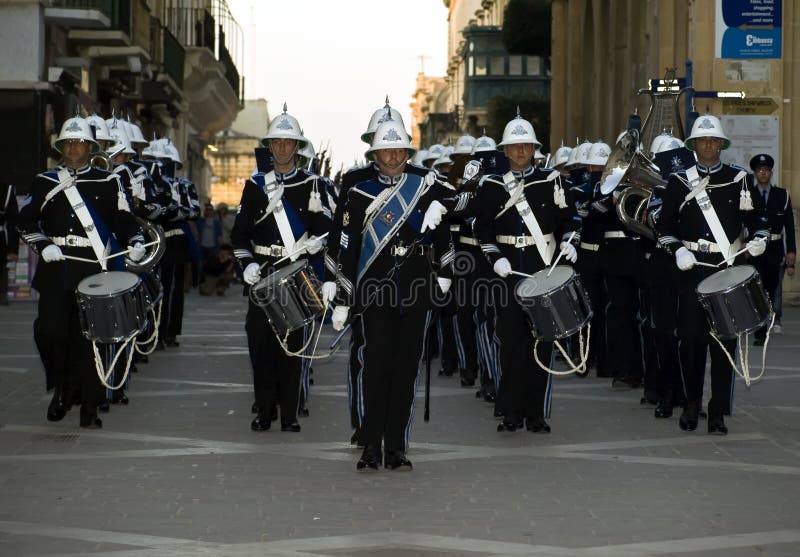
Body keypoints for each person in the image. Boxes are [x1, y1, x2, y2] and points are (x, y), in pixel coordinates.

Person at [325, 115, 450, 471]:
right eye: (386, 151)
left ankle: (396, 446)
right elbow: (347, 246)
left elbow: (456, 217)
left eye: (399, 150)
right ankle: (370, 443)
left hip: (415, 287)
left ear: (407, 152)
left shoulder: (426, 185)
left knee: (406, 370)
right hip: (374, 290)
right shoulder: (358, 193)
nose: (393, 157)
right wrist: (343, 296)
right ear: (374, 154)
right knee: (375, 368)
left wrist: (444, 270)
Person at [17, 116, 145, 428]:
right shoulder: (45, 181)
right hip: (56, 268)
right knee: (49, 332)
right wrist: (43, 244)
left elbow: (123, 218)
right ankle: (62, 386)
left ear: (90, 146)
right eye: (68, 143)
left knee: (89, 340)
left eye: (80, 142)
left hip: (93, 269)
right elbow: (25, 221)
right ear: (61, 147)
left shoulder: (107, 181)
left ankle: (89, 405)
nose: (74, 148)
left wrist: (136, 240)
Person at [655, 114, 769, 435]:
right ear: (693, 145)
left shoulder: (740, 179)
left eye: (713, 140)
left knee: (724, 342)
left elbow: (759, 220)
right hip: (692, 270)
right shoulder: (679, 181)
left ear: (721, 144)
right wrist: (676, 249)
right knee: (691, 341)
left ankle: (717, 409)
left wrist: (760, 239)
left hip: (727, 267)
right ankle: (691, 403)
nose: (708, 144)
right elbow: (663, 227)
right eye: (702, 140)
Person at [473, 110, 580, 433]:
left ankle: (536, 413)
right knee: (511, 345)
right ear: (504, 151)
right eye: (514, 147)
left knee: (542, 343)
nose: (521, 152)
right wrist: (495, 258)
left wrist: (570, 243)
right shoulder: (491, 185)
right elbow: (481, 228)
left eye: (526, 146)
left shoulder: (551, 181)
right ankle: (510, 411)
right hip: (507, 274)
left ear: (534, 149)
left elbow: (571, 220)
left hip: (542, 269)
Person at [231, 105, 331, 433]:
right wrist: (245, 265)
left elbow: (330, 228)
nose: (284, 148)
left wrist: (319, 241)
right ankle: (264, 411)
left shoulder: (312, 185)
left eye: (290, 143)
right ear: (270, 147)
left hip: (296, 272)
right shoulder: (256, 185)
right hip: (262, 274)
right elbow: (239, 234)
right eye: (278, 143)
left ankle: (289, 413)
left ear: (297, 147)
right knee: (260, 346)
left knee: (293, 348)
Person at [747, 154, 795, 345]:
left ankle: (768, 321)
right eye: (759, 170)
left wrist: (792, 251)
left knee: (770, 287)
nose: (763, 173)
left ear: (771, 172)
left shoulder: (782, 195)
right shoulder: (747, 194)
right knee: (756, 288)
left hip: (775, 248)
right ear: (755, 173)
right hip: (754, 249)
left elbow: (789, 226)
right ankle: (760, 331)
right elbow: (740, 221)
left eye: (766, 170)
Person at [0, 181, 19, 305]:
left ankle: (2, 294)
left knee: (1, 267)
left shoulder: (6, 189)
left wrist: (12, 249)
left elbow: (13, 221)